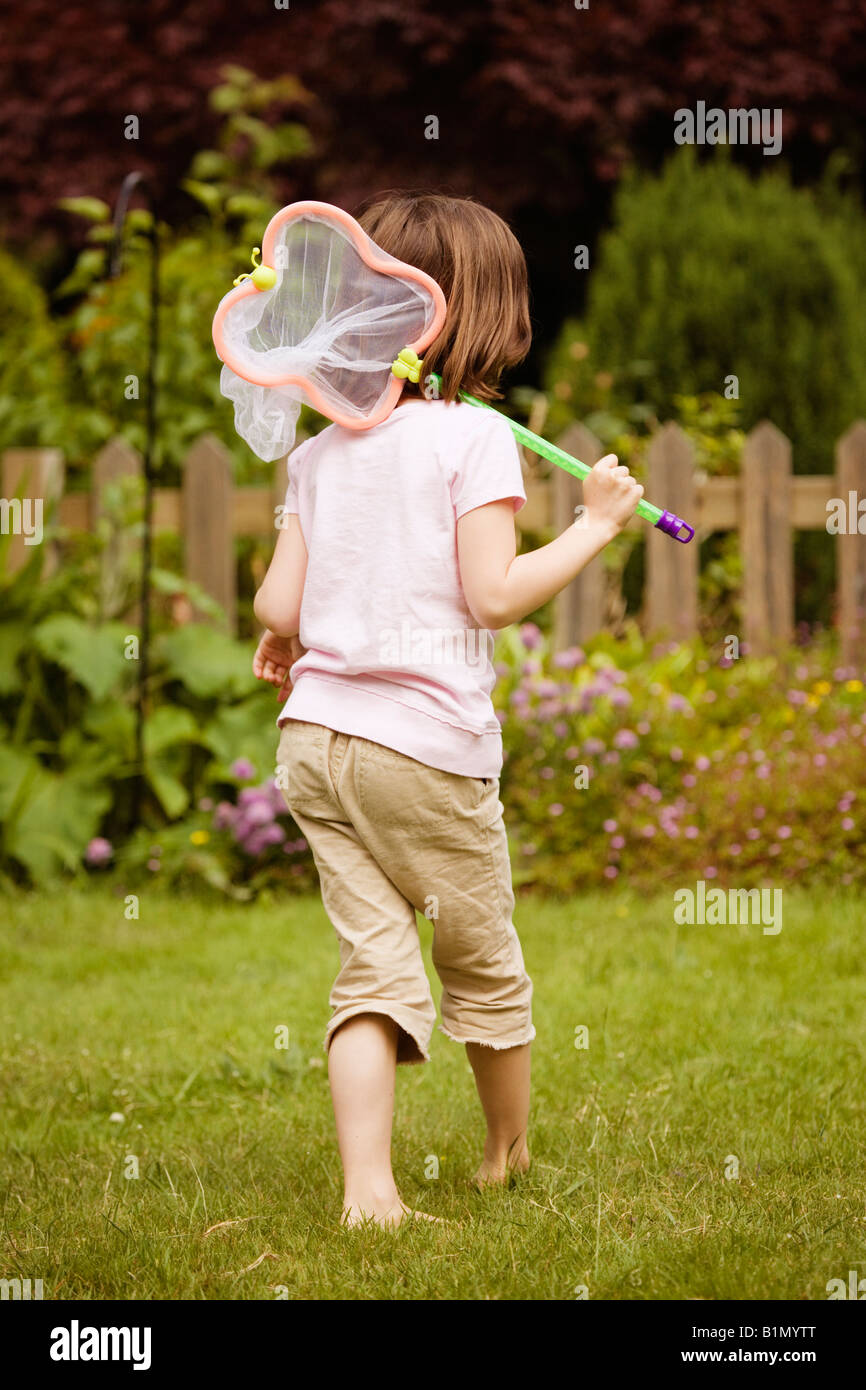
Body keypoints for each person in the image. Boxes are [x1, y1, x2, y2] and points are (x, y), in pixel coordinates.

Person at [252, 193, 643, 1228]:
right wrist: (598, 526)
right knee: (481, 956)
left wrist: (289, 639)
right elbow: (494, 596)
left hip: (314, 746)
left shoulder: (317, 451)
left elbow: (275, 605)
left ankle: (368, 1194)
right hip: (422, 753)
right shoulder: (472, 441)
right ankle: (505, 1157)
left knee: (371, 967)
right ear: (482, 316)